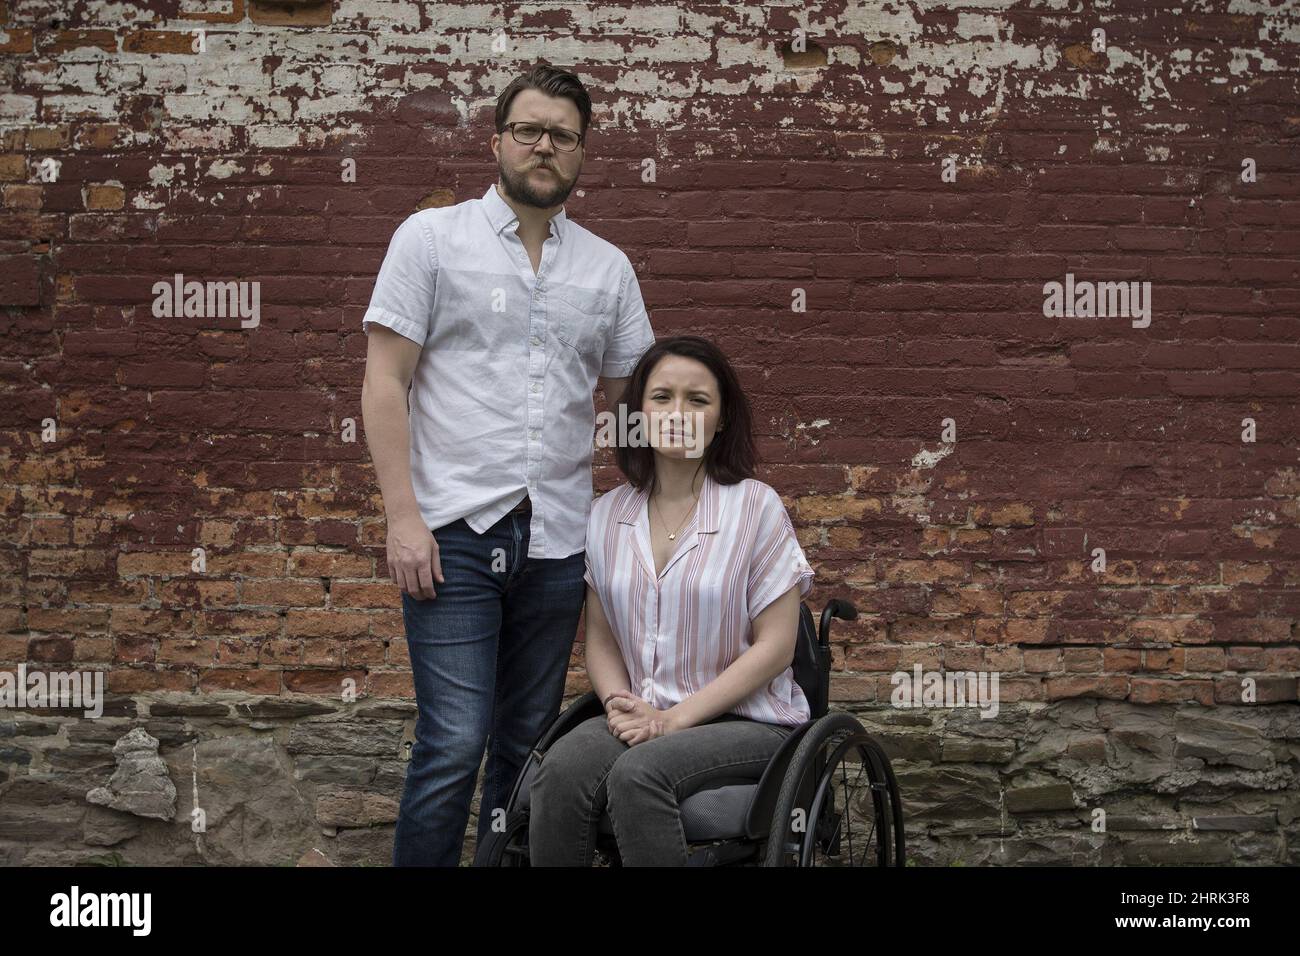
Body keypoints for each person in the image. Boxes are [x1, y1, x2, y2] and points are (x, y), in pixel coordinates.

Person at [360, 63, 655, 866]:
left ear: (582, 154)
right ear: (496, 140)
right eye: (528, 130)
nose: (544, 146)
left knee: (526, 745)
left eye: (562, 135)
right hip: (451, 533)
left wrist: (678, 509)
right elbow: (385, 383)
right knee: (454, 741)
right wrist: (402, 517)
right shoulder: (431, 239)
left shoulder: (608, 269)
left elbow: (637, 405)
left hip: (559, 540)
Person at [528, 335, 815, 866]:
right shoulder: (607, 515)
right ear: (637, 413)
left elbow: (776, 647)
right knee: (562, 770)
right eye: (661, 397)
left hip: (747, 723)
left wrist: (675, 719)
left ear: (722, 418)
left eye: (698, 400)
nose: (677, 413)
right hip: (641, 710)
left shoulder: (755, 508)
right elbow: (600, 637)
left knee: (641, 774)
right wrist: (618, 706)